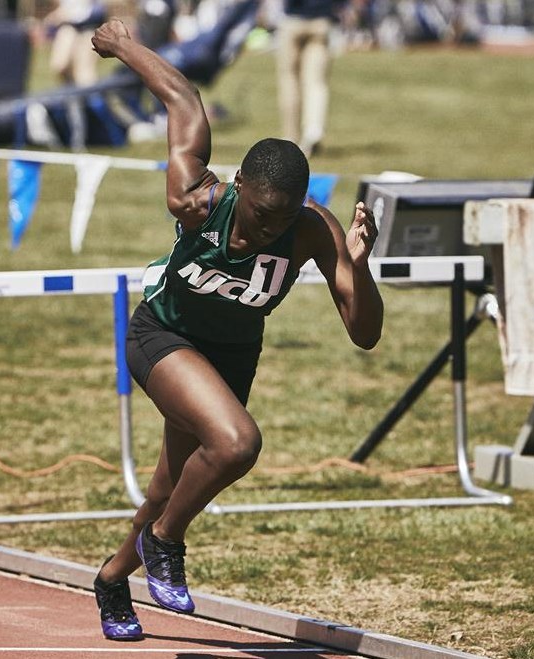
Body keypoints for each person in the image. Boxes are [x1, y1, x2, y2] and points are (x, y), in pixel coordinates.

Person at [88, 17, 383, 642]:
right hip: (162, 338)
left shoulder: (311, 231)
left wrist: (360, 266)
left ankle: (114, 578)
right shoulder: (198, 198)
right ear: (240, 185)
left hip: (229, 361)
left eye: (282, 220)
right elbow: (183, 99)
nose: (266, 231)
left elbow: (364, 333)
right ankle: (167, 543)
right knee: (236, 444)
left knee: (169, 486)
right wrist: (123, 45)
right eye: (258, 214)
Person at [275, 0, 344, 158]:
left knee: (289, 80)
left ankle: (291, 136)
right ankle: (313, 130)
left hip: (293, 20)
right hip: (321, 21)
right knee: (316, 82)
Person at [45, 0, 106, 87]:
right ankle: (72, 94)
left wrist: (69, 16)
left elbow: (98, 11)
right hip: (68, 27)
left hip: (88, 28)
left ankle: (88, 98)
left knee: (84, 75)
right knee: (59, 65)